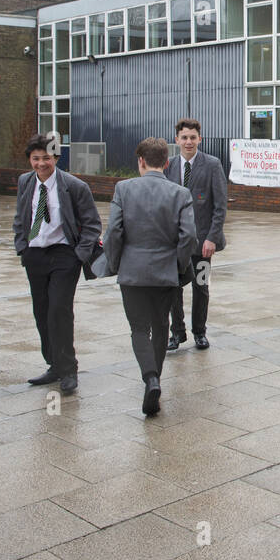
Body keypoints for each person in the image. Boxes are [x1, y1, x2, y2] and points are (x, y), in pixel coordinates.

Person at [106, 137, 196, 416]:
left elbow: (113, 233)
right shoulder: (180, 193)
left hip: (132, 271)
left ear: (141, 161)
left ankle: (150, 378)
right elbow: (189, 237)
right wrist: (178, 266)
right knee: (161, 326)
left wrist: (114, 263)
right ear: (167, 163)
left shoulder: (123, 189)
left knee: (138, 329)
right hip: (164, 272)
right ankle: (154, 382)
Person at [13, 134, 102, 396]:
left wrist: (79, 255)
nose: (41, 163)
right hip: (35, 255)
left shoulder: (74, 186)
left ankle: (69, 368)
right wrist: (22, 247)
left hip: (64, 255)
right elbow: (21, 216)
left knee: (59, 311)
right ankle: (53, 363)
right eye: (36, 158)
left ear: (56, 158)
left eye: (46, 158)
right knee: (41, 312)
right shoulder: (25, 182)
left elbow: (92, 223)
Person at [164, 118, 228, 351]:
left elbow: (220, 206)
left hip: (203, 243)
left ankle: (199, 332)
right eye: (184, 137)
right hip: (175, 244)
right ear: (177, 140)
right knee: (173, 287)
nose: (188, 141)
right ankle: (177, 333)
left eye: (193, 137)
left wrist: (212, 237)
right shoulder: (168, 166)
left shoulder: (212, 165)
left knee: (201, 286)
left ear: (200, 139)